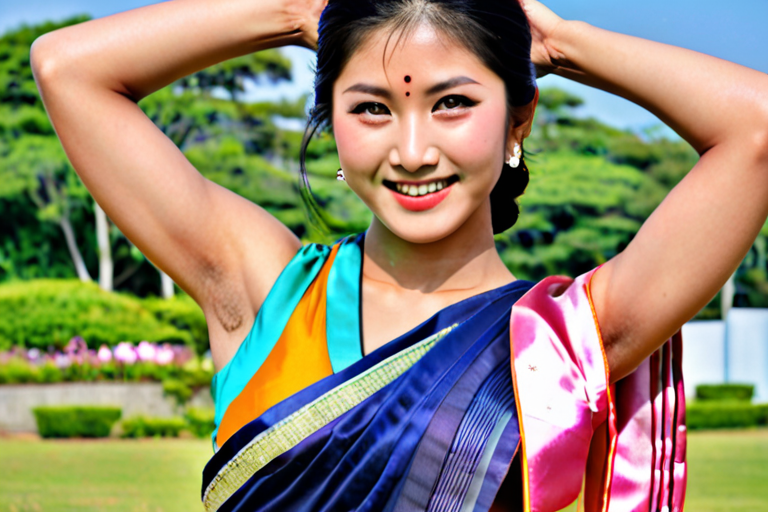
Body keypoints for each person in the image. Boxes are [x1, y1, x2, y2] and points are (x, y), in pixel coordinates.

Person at [30, 0, 768, 509]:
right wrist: (293, 13)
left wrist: (554, 43)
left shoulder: (567, 339)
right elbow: (66, 69)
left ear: (519, 119)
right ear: (332, 122)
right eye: (372, 108)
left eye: (452, 103)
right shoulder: (264, 293)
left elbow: (758, 129)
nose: (413, 152)